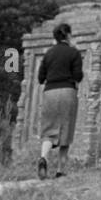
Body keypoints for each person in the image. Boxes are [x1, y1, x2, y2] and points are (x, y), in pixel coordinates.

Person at [37, 23, 82, 179]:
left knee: (49, 130)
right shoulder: (73, 52)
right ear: (68, 35)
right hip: (67, 92)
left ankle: (43, 158)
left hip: (49, 92)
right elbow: (78, 76)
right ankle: (60, 170)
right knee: (65, 130)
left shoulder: (48, 54)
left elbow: (40, 78)